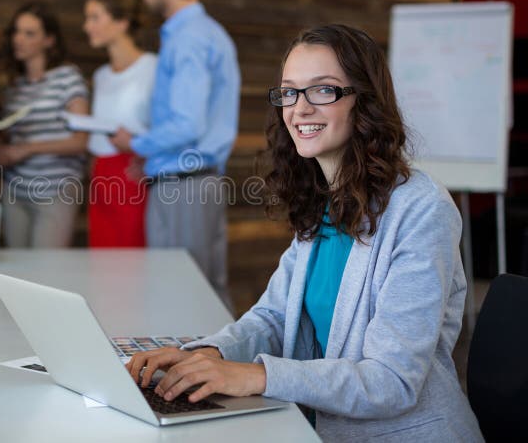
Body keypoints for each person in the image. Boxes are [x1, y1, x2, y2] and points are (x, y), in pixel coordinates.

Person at [125, 24, 484, 442]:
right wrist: (208, 354)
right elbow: (275, 317)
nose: (299, 108)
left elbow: (391, 381)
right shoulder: (325, 201)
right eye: (290, 92)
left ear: (363, 102)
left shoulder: (422, 210)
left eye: (323, 90)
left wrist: (255, 376)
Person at [110, 0, 240, 306]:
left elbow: (187, 124)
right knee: (203, 293)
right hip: (193, 180)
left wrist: (135, 144)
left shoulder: (188, 39)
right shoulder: (202, 33)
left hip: (185, 184)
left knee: (185, 297)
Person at [0, 2, 90, 248]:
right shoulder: (16, 88)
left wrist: (28, 149)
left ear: (49, 40)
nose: (19, 39)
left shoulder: (67, 78)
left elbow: (81, 141)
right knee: (17, 270)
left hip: (55, 191)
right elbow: (11, 138)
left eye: (30, 33)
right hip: (15, 191)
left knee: (47, 270)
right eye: (17, 32)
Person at [82, 0, 156, 247]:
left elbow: (164, 125)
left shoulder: (152, 68)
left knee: (131, 258)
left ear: (121, 22)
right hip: (101, 175)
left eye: (95, 17)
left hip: (131, 175)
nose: (86, 26)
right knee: (101, 258)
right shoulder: (101, 76)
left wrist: (147, 158)